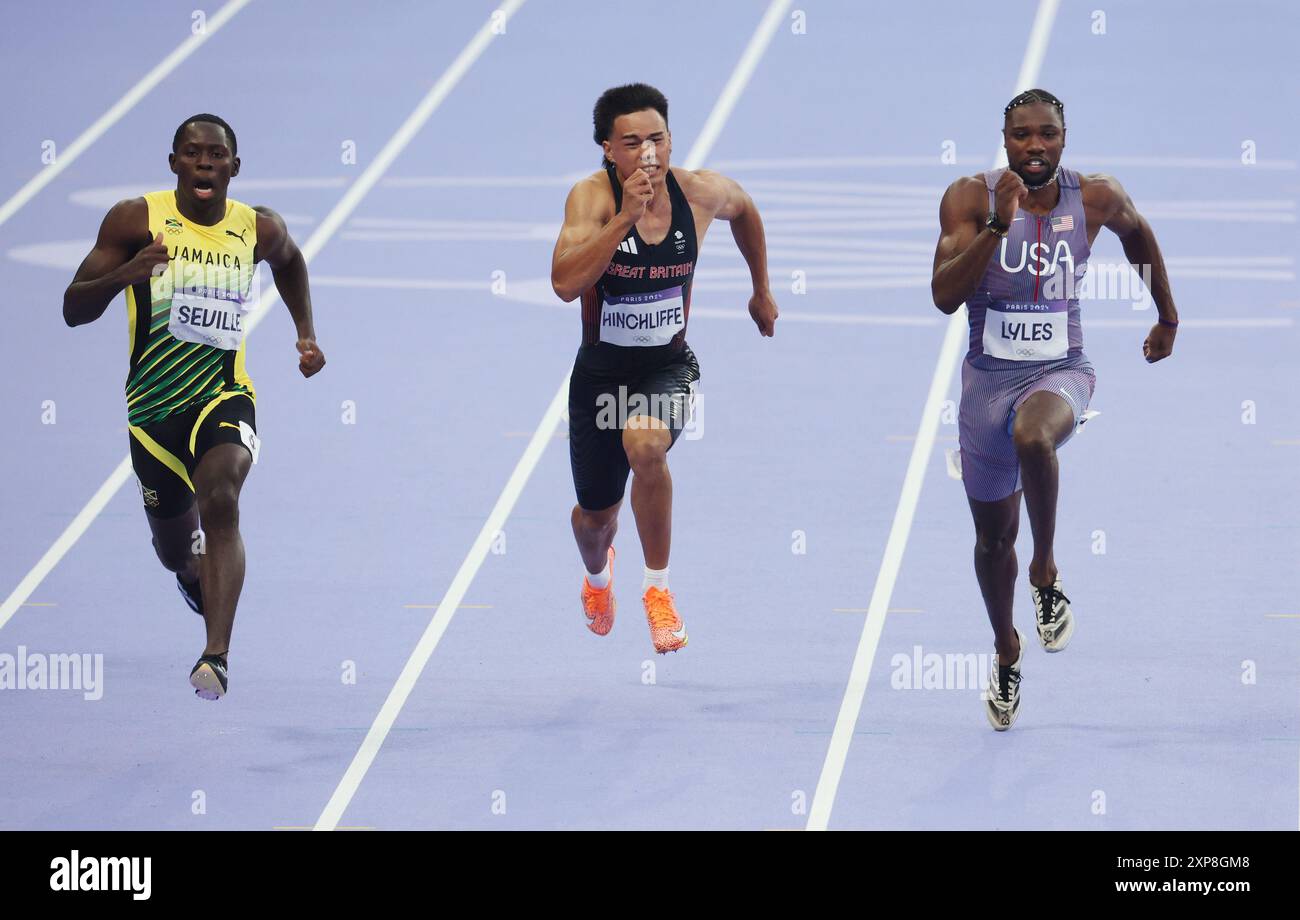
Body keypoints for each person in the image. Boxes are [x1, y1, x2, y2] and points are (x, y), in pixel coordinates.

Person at [930, 89, 1178, 729]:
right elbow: (943, 297)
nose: (1035, 146)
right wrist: (996, 227)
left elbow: (1139, 236)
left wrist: (1167, 317)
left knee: (1033, 437)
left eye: (1047, 134)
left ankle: (1046, 570)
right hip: (985, 388)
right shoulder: (970, 199)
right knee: (991, 541)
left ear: (1064, 138)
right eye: (1022, 136)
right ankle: (1006, 650)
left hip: (1062, 372)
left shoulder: (1094, 197)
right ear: (1004, 139)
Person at [63, 114, 326, 700]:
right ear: (174, 163)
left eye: (216, 154)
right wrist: (128, 273)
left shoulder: (257, 228)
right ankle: (191, 574)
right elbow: (72, 308)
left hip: (222, 398)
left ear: (235, 167)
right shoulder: (136, 220)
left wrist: (304, 332)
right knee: (174, 551)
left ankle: (216, 656)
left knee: (223, 498)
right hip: (153, 416)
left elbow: (290, 263)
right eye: (192, 153)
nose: (204, 162)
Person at [551, 83, 779, 653]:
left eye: (658, 139)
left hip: (668, 368)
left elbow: (746, 209)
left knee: (646, 443)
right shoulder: (591, 200)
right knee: (592, 523)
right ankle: (599, 578)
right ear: (608, 149)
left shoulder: (699, 193)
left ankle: (658, 591)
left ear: (672, 140)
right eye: (633, 143)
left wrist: (761, 290)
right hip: (601, 379)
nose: (648, 153)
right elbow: (563, 283)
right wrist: (623, 219)